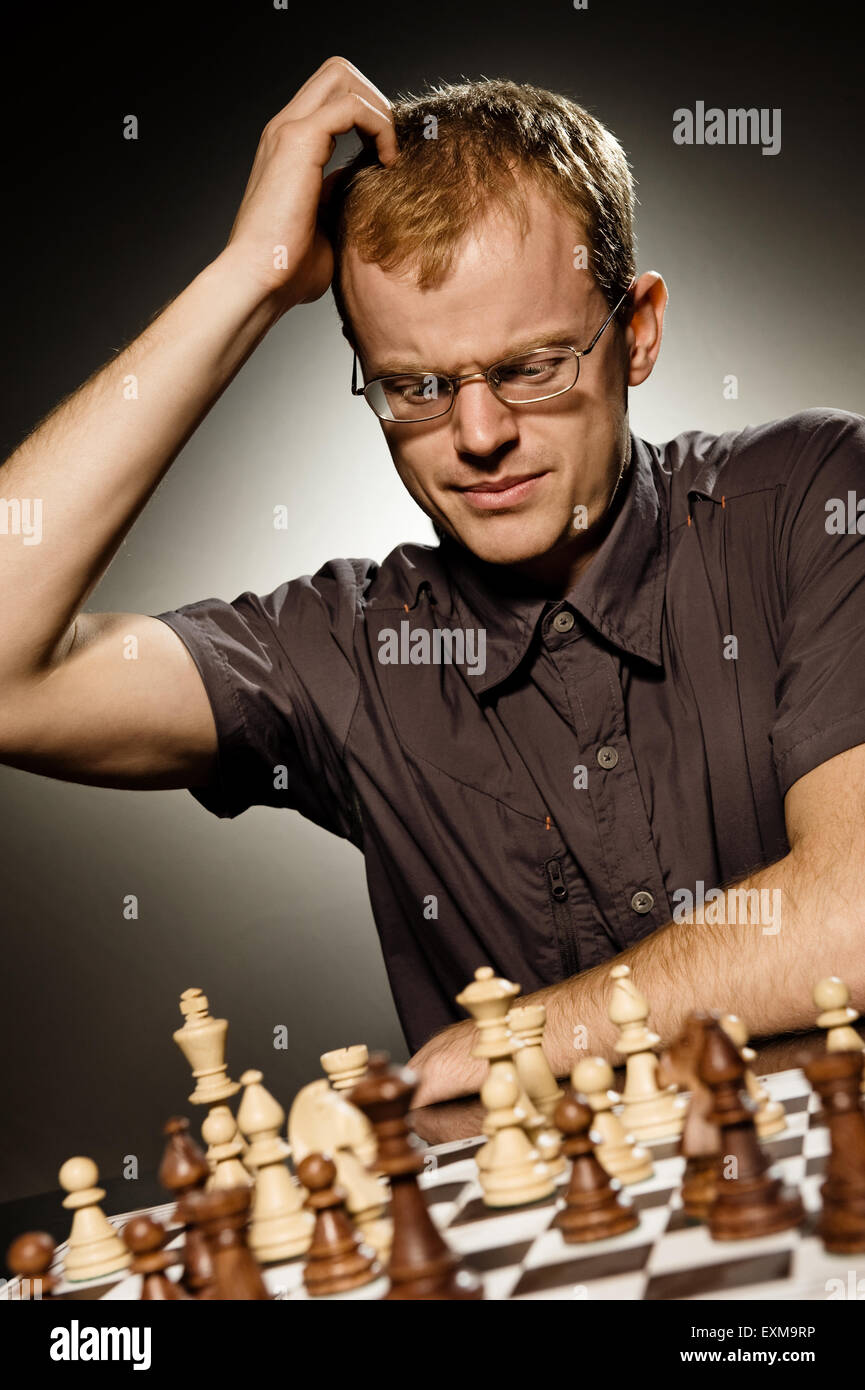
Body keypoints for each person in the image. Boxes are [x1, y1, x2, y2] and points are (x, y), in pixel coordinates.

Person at [1, 57, 862, 1108]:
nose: (479, 435)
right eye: (415, 386)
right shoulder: (345, 648)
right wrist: (249, 276)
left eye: (533, 365)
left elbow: (853, 911)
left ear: (634, 331)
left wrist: (512, 1041)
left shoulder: (810, 501)